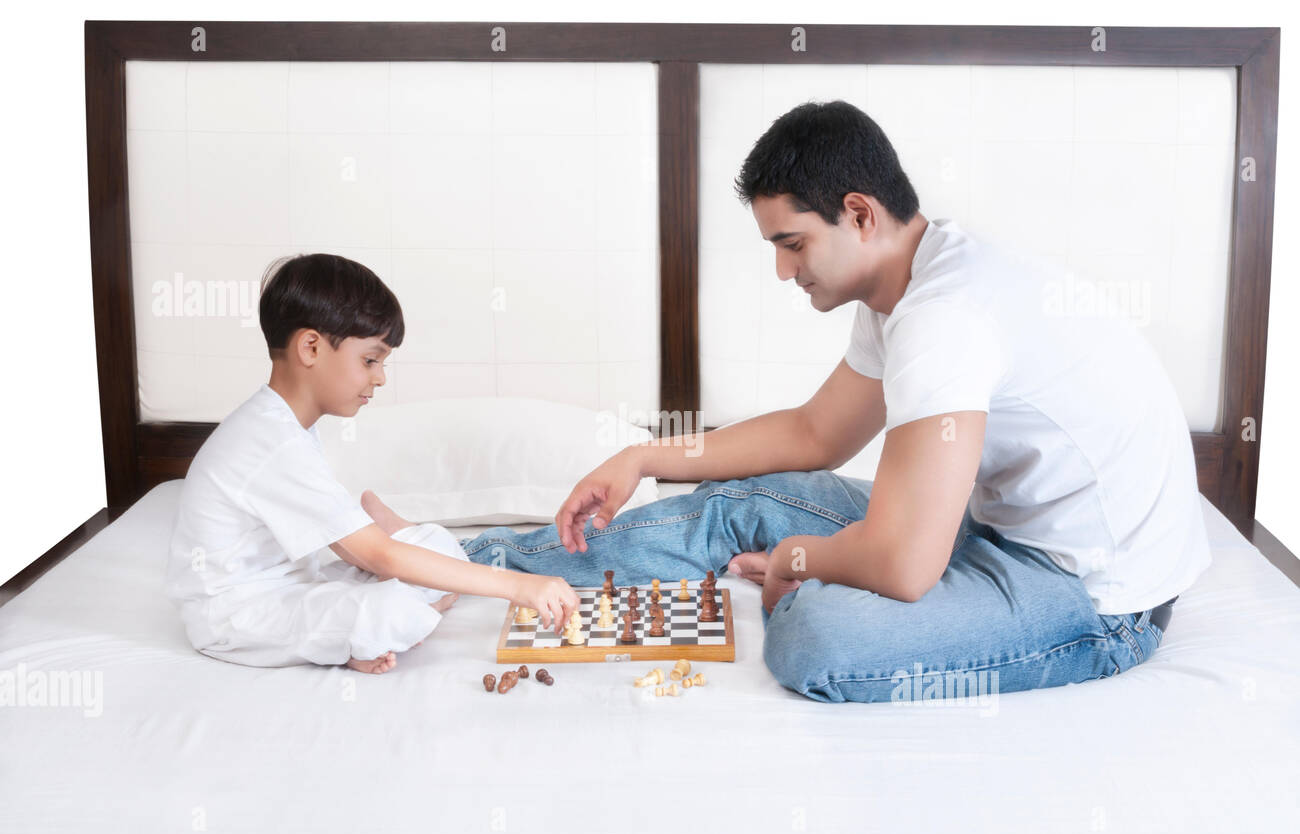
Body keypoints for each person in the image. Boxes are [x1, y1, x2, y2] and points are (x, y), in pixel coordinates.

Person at [458, 100, 1210, 704]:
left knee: (815, 635)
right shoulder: (907, 284)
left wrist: (797, 558)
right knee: (734, 500)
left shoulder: (946, 316)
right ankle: (464, 560)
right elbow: (817, 432)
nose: (785, 272)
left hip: (1098, 598)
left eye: (793, 244)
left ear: (859, 213)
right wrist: (644, 453)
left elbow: (907, 564)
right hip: (990, 532)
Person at [165, 253, 578, 674]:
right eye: (370, 360)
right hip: (236, 615)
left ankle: (384, 600)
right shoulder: (269, 441)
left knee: (440, 549)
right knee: (392, 608)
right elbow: (379, 557)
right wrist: (519, 586)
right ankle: (367, 632)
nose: (380, 378)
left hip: (295, 585)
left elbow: (365, 555)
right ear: (310, 347)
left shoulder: (283, 424)